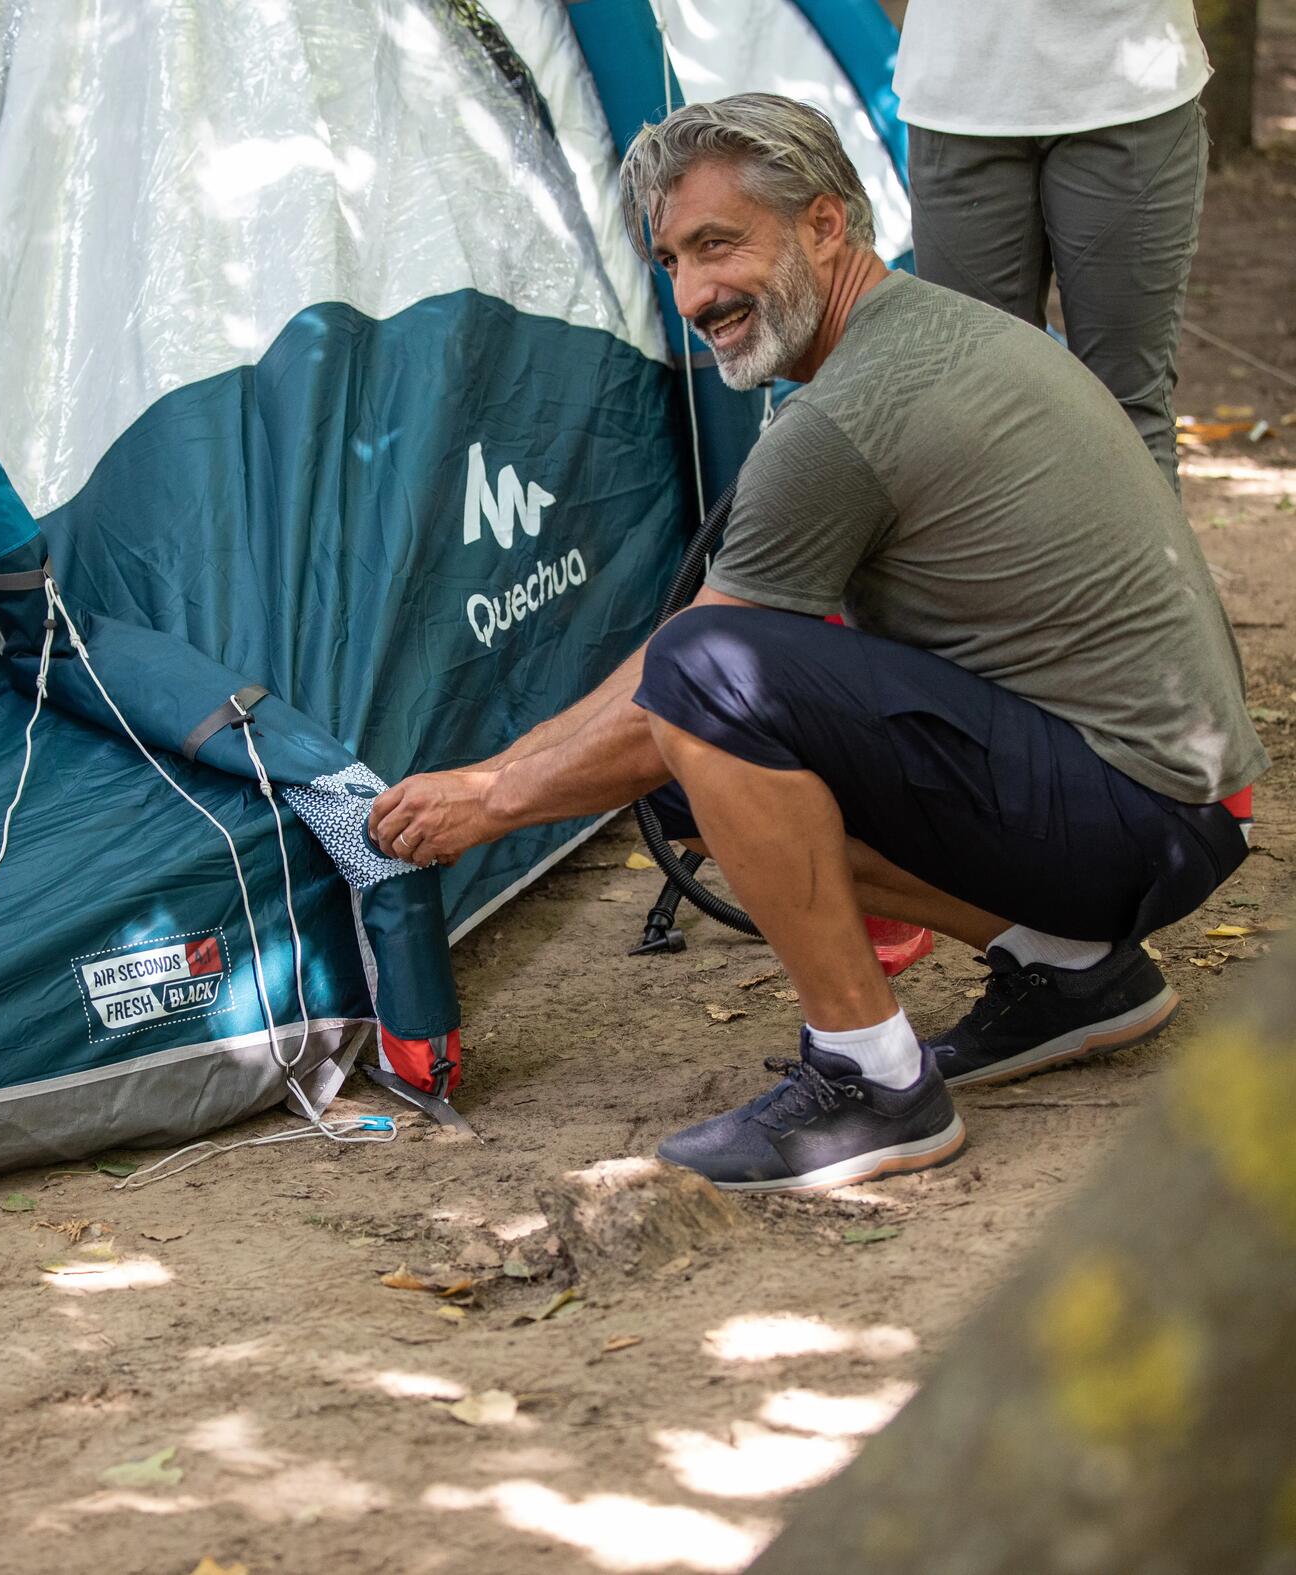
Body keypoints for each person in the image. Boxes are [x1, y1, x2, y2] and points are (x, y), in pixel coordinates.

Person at [367, 94, 1263, 1194]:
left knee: (706, 686)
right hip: (1179, 804)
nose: (694, 294)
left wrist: (491, 799)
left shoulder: (844, 419)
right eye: (671, 260)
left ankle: (871, 1083)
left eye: (718, 245)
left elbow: (697, 668)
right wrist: (503, 778)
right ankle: (1075, 971)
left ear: (827, 225)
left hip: (1141, 816)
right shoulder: (924, 330)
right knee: (704, 767)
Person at [894, 0, 1211, 493]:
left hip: (1132, 93)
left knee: (1126, 409)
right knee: (972, 412)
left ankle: (1143, 573)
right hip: (959, 91)